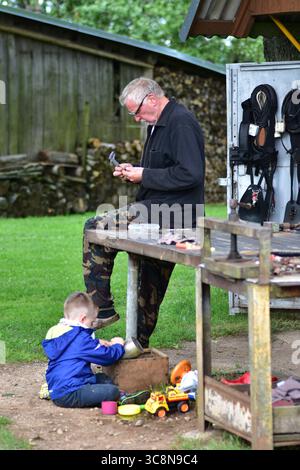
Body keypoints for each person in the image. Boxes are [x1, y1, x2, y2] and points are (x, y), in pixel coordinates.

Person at [83, 77, 205, 347]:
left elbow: (191, 174)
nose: (136, 118)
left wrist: (144, 174)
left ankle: (101, 309)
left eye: (136, 111)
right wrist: (135, 171)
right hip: (156, 207)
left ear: (151, 98)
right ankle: (136, 344)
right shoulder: (156, 123)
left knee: (96, 226)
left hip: (176, 213)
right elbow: (162, 168)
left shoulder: (181, 122)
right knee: (150, 281)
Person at [42, 291, 125, 408]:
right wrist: (118, 345)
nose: (92, 325)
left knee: (102, 378)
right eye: (92, 322)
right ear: (82, 319)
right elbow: (107, 357)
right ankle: (118, 397)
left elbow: (74, 349)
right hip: (71, 393)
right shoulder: (81, 340)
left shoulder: (57, 332)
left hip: (58, 388)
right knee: (112, 391)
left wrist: (97, 342)